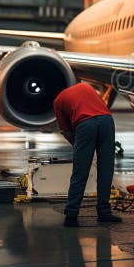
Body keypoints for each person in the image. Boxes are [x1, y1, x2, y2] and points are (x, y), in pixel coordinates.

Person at [53, 82, 121, 227]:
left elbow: (66, 131)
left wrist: (79, 147)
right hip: (107, 121)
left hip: (85, 124)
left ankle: (71, 215)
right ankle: (104, 212)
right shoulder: (84, 86)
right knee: (106, 170)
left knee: (80, 172)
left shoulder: (57, 101)